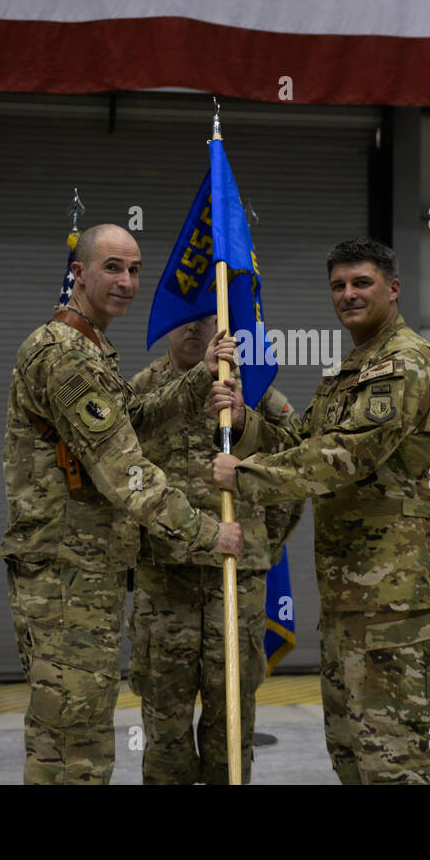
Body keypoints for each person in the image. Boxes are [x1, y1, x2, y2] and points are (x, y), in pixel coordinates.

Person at [0, 223, 243, 785]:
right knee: (75, 741)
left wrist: (195, 379)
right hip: (66, 575)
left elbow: (127, 419)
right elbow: (124, 470)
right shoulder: (66, 356)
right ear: (78, 273)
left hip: (85, 573)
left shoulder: (92, 350)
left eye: (135, 269)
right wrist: (210, 533)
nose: (128, 281)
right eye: (112, 267)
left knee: (68, 731)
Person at [212, 238, 430, 784]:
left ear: (393, 289)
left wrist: (245, 476)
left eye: (361, 283)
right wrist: (245, 419)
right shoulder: (351, 367)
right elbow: (302, 436)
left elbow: (347, 455)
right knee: (352, 754)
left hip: (395, 599)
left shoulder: (406, 364)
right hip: (351, 593)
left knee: (397, 761)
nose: (347, 295)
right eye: (338, 286)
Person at [128, 314, 304, 784]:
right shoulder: (140, 392)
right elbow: (115, 473)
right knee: (164, 714)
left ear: (221, 323)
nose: (192, 328)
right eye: (182, 317)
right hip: (164, 581)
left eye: (204, 318)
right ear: (166, 322)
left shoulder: (255, 391)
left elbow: (296, 464)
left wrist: (246, 420)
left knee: (232, 713)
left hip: (236, 580)